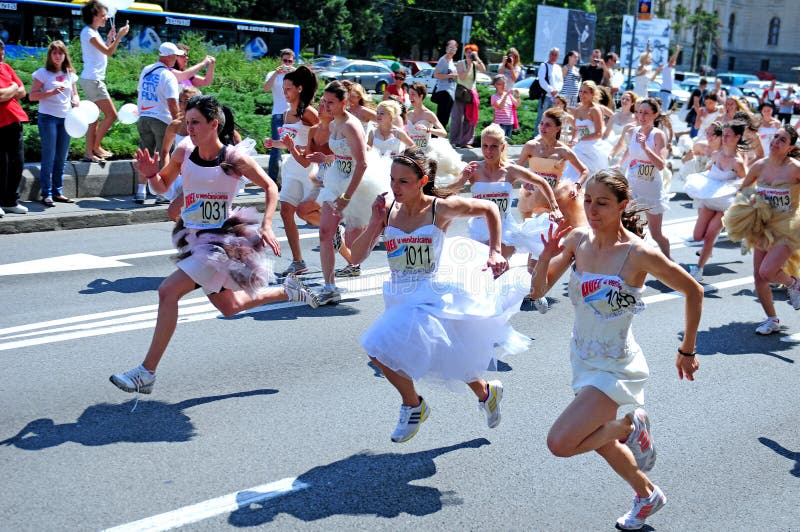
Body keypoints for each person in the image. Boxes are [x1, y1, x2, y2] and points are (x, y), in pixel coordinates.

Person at [109, 95, 319, 394]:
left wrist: (267, 224)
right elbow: (161, 187)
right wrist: (150, 174)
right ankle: (287, 291)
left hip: (221, 243)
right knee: (230, 306)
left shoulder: (233, 159)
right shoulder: (184, 151)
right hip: (193, 239)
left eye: (195, 122)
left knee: (168, 291)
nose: (189, 128)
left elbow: (271, 186)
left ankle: (146, 372)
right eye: (187, 122)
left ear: (213, 124)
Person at [530, 169, 702, 531]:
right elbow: (538, 291)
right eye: (588, 201)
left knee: (561, 443)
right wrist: (544, 256)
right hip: (582, 357)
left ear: (622, 205)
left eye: (603, 203)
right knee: (598, 440)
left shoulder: (638, 254)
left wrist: (687, 349)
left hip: (615, 365)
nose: (592, 210)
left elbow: (693, 290)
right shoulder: (577, 240)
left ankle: (628, 425)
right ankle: (647, 495)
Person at [350, 147, 532, 443]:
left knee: (375, 345)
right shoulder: (388, 212)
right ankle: (487, 394)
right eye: (393, 179)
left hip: (428, 294)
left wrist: (495, 250)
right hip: (398, 295)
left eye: (404, 181)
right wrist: (374, 221)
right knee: (451, 358)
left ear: (422, 181)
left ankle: (413, 406)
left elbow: (489, 209)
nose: (395, 187)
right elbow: (356, 257)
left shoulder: (440, 209)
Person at [313, 81, 391, 305]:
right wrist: (326, 158)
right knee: (325, 233)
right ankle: (330, 287)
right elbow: (342, 155)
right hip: (335, 180)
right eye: (324, 101)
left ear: (344, 102)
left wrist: (347, 197)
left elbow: (362, 163)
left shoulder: (351, 125)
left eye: (331, 102)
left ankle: (380, 234)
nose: (326, 106)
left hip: (357, 184)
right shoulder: (333, 124)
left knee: (357, 239)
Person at [723, 125, 800, 334]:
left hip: (787, 228)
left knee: (767, 272)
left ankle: (794, 284)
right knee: (759, 277)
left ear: (790, 148)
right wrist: (750, 199)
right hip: (763, 226)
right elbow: (743, 190)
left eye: (782, 140)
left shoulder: (795, 169)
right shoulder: (759, 166)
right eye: (775, 137)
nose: (776, 142)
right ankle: (772, 320)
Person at [263, 65, 320, 276]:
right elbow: (290, 142)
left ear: (299, 89)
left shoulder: (310, 113)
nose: (285, 93)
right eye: (283, 89)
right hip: (292, 169)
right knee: (286, 211)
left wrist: (305, 149)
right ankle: (298, 261)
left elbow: (323, 138)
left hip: (310, 169)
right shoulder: (286, 113)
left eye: (288, 89)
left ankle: (334, 232)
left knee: (308, 215)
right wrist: (274, 143)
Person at [684, 120, 748, 281]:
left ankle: (698, 269)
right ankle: (705, 254)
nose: (724, 138)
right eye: (723, 135)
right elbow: (709, 173)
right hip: (710, 200)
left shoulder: (738, 162)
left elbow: (746, 184)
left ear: (737, 137)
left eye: (728, 135)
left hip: (725, 204)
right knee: (697, 236)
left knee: (710, 236)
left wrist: (738, 199)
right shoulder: (716, 155)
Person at [618, 98, 672, 259]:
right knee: (625, 226)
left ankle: (669, 261)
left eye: (646, 113)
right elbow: (630, 151)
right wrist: (619, 163)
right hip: (632, 186)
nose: (641, 116)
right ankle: (628, 260)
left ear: (655, 114)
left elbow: (661, 165)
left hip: (651, 189)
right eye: (639, 112)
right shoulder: (634, 131)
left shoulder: (658, 135)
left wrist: (645, 147)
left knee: (656, 234)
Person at [29, 40, 79, 207]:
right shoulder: (42, 73)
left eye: (60, 53)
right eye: (55, 53)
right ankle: (47, 194)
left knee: (61, 157)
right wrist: (50, 92)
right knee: (49, 156)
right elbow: (32, 96)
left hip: (66, 119)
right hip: (48, 118)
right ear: (50, 55)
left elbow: (75, 94)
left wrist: (76, 100)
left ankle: (58, 192)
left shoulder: (69, 73)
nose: (58, 56)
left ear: (65, 55)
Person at [79, 0, 129, 163]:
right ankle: (96, 147)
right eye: (103, 15)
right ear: (94, 16)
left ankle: (89, 153)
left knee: (94, 118)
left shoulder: (92, 32)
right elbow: (108, 52)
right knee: (112, 115)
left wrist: (109, 39)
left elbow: (102, 52)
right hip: (93, 80)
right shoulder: (89, 33)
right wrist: (119, 36)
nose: (106, 18)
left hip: (92, 79)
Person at [134, 42, 181, 204]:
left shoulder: (147, 70)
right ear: (169, 56)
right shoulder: (168, 75)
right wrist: (177, 122)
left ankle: (140, 192)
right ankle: (162, 194)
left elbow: (140, 92)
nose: (176, 59)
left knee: (145, 155)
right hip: (162, 119)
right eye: (175, 56)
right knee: (164, 155)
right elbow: (172, 102)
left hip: (144, 117)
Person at [0, 38, 29, 217]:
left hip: (14, 120)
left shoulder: (6, 68)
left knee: (17, 162)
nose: (1, 54)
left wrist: (9, 91)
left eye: (2, 50)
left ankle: (10, 201)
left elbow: (22, 91)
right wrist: (12, 87)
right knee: (1, 164)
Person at [263, 48, 295, 184]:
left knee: (296, 147)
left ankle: (294, 180)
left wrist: (295, 72)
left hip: (294, 115)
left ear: (293, 62)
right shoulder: (273, 74)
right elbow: (265, 88)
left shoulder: (296, 74)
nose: (287, 64)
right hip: (278, 115)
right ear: (280, 60)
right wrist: (276, 73)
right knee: (276, 149)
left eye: (290, 61)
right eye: (285, 61)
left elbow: (307, 89)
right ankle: (272, 181)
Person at [568, 81, 612, 176]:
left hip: (592, 146)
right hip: (579, 146)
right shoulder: (578, 109)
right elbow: (575, 129)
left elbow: (599, 133)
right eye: (580, 91)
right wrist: (573, 139)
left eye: (585, 92)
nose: (581, 94)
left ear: (592, 94)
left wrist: (582, 139)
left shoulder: (595, 110)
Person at [450, 43, 485, 149]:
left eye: (472, 53)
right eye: (468, 52)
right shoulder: (460, 63)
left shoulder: (475, 63)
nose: (470, 55)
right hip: (461, 93)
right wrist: (469, 65)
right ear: (465, 53)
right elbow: (462, 77)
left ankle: (466, 142)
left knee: (470, 119)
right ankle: (454, 141)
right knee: (457, 118)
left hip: (471, 94)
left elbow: (483, 69)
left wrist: (477, 58)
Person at [535, 47, 563, 134]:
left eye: (556, 55)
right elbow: (542, 80)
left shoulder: (558, 67)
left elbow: (561, 81)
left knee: (553, 119)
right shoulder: (544, 65)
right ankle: (537, 136)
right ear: (549, 55)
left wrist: (557, 90)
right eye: (552, 54)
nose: (554, 56)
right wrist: (551, 90)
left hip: (555, 98)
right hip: (546, 96)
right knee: (542, 118)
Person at [432, 40, 458, 129]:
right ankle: (436, 134)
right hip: (444, 91)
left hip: (451, 91)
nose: (452, 51)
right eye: (450, 48)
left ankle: (440, 134)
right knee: (441, 117)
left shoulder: (451, 61)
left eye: (454, 49)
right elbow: (436, 75)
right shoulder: (443, 60)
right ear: (446, 48)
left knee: (445, 118)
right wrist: (449, 76)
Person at [490, 75, 519, 139]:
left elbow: (517, 104)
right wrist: (505, 96)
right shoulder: (494, 97)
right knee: (500, 141)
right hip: (500, 124)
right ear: (495, 85)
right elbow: (500, 107)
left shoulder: (509, 95)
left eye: (504, 83)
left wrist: (518, 96)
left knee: (507, 142)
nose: (503, 86)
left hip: (510, 123)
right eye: (501, 84)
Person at [658, 45, 680, 111]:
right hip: (664, 93)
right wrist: (677, 51)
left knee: (664, 111)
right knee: (663, 111)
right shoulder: (667, 67)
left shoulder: (671, 70)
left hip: (668, 93)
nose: (674, 61)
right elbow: (672, 60)